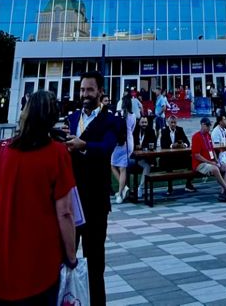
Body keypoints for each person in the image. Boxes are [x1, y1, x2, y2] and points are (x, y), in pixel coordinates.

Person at [0, 91, 79, 306]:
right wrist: (71, 257)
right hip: (39, 267)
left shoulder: (1, 150)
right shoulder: (58, 154)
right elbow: (66, 212)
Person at [63, 71, 119, 306]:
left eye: (90, 90)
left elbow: (106, 147)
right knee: (66, 258)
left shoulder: (111, 120)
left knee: (95, 261)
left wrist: (83, 145)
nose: (85, 94)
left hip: (95, 202)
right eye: (82, 90)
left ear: (100, 92)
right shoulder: (72, 117)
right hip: (71, 202)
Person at [191, 117, 226, 201]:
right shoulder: (196, 137)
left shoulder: (208, 136)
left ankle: (223, 192)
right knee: (215, 169)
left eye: (210, 126)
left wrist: (217, 160)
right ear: (202, 125)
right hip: (200, 164)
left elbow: (212, 149)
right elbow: (197, 155)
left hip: (211, 161)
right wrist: (210, 162)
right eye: (207, 126)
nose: (209, 128)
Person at [111, 92, 138, 204]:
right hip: (129, 142)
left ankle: (121, 191)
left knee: (113, 165)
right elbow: (132, 129)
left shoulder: (117, 115)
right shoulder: (133, 116)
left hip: (119, 143)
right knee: (123, 168)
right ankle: (123, 189)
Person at [130, 114, 158, 201]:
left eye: (145, 122)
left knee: (147, 165)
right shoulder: (134, 131)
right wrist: (136, 146)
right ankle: (140, 188)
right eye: (142, 122)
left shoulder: (151, 131)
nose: (144, 124)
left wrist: (142, 147)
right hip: (135, 158)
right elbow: (131, 145)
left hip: (147, 157)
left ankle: (141, 188)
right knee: (147, 165)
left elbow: (154, 144)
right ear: (139, 123)